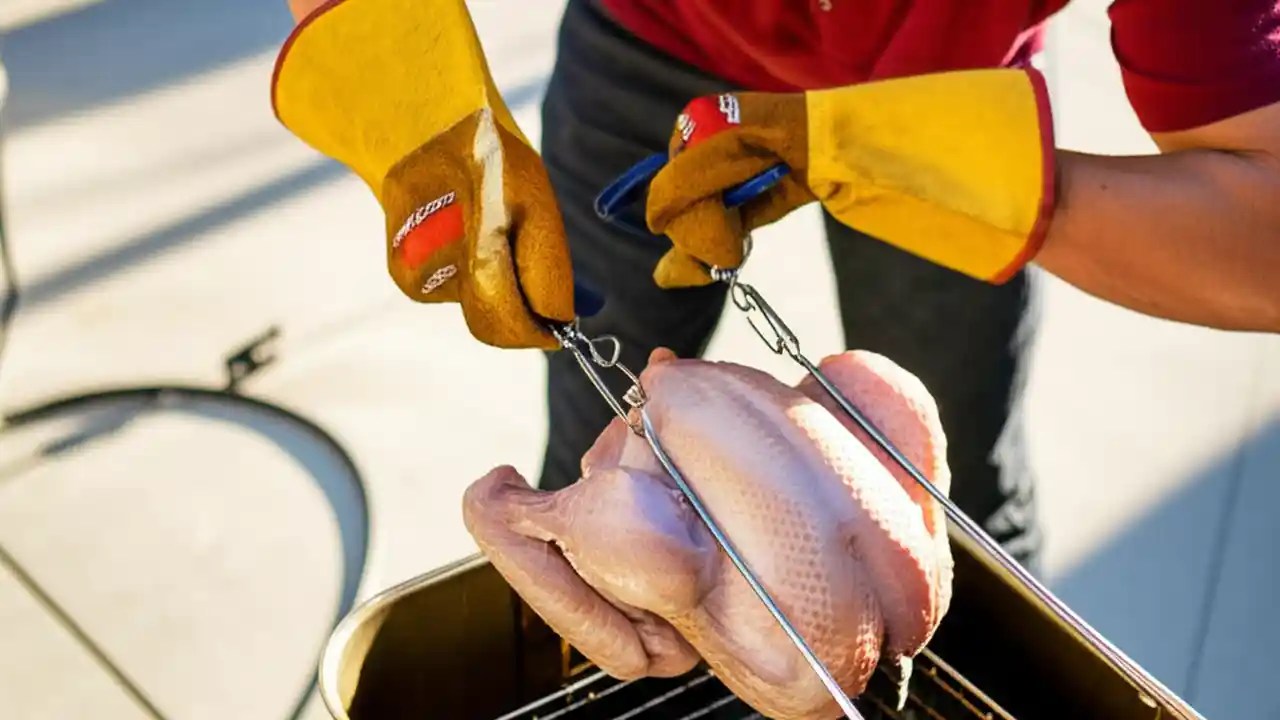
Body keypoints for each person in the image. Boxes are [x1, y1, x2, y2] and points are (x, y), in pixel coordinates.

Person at [273, 0, 1280, 575]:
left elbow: (1260, 225)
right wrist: (400, 88)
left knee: (950, 506)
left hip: (940, 83)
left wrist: (985, 177)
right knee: (592, 483)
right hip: (645, 35)